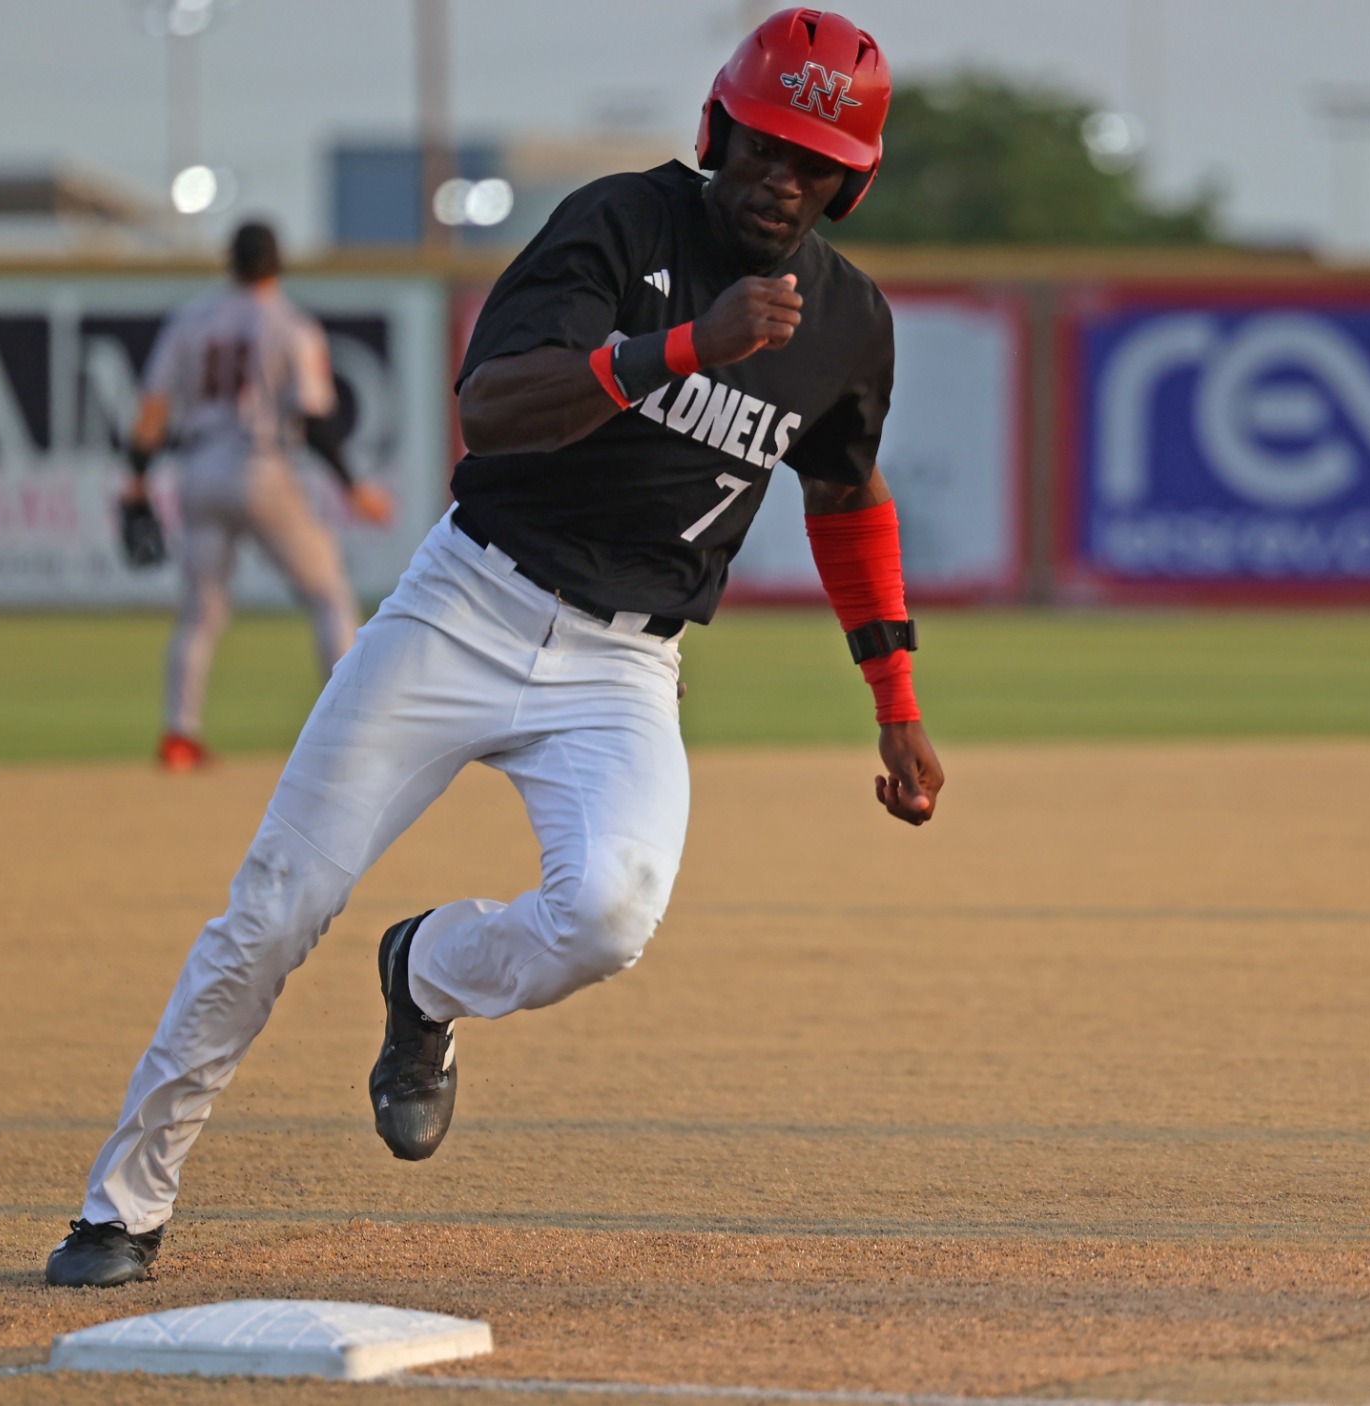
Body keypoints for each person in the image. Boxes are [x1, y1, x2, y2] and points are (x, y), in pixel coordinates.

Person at [46, 8, 938, 1288]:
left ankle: (427, 975)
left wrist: (894, 699)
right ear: (716, 131)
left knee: (608, 915)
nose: (778, 178)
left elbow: (847, 495)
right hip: (465, 604)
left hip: (625, 666)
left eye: (811, 161)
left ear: (850, 183)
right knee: (273, 909)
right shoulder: (621, 225)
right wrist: (687, 344)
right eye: (761, 146)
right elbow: (492, 408)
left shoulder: (850, 325)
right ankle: (120, 1206)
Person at [126, 220, 395, 773]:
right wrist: (352, 485)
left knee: (200, 612)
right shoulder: (291, 326)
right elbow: (316, 420)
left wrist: (136, 477)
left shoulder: (190, 320)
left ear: (230, 261)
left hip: (198, 468)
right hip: (261, 466)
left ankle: (180, 734)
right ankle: (343, 734)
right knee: (328, 596)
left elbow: (152, 411)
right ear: (278, 263)